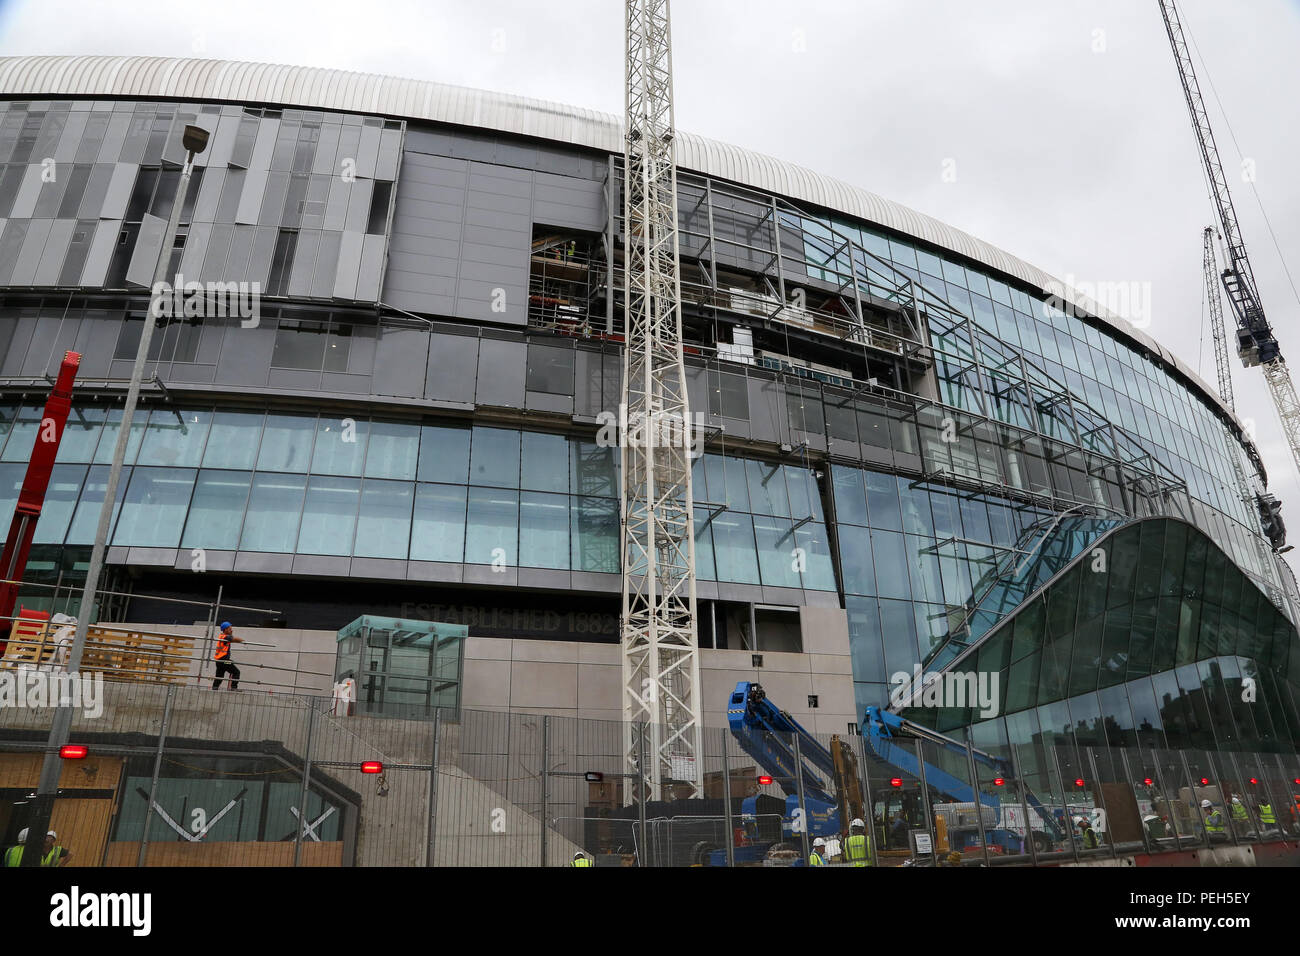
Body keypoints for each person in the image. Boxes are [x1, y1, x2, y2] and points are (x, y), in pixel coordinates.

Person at [5, 829, 71, 867]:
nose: (47, 839)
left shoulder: (10, 850)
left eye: (51, 838)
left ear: (54, 841)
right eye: (46, 837)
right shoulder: (33, 852)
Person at [211, 621, 243, 691]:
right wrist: (243, 641)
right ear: (225, 630)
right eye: (229, 629)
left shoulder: (222, 636)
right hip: (224, 661)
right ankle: (234, 687)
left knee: (219, 675)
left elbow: (231, 639)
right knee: (236, 672)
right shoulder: (226, 637)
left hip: (219, 661)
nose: (231, 630)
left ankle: (215, 687)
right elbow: (236, 640)